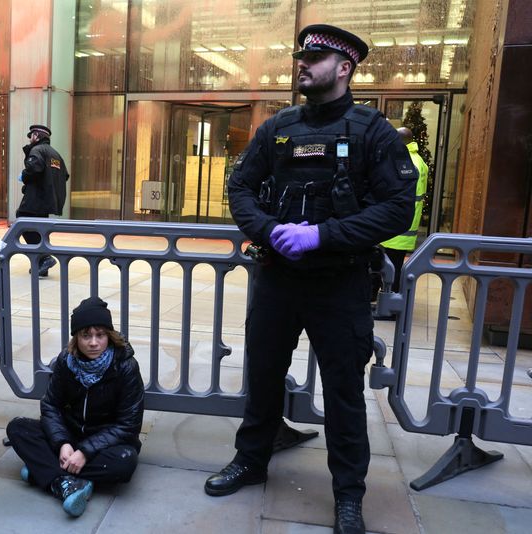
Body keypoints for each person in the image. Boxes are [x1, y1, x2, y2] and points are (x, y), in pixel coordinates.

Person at [204, 25, 417, 534]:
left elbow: (397, 209)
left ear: (344, 68)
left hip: (339, 283)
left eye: (315, 57)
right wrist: (270, 229)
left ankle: (348, 494)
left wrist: (323, 235)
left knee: (344, 391)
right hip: (279, 279)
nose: (302, 63)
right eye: (300, 55)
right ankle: (251, 460)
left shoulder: (372, 131)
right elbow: (241, 188)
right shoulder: (279, 127)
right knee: (263, 376)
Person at [6, 296, 144, 517]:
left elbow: (128, 425)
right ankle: (66, 481)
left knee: (125, 462)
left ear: (109, 336)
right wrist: (63, 444)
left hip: (106, 443)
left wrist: (85, 452)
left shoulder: (125, 366)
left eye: (100, 335)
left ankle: (45, 472)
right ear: (76, 338)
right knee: (17, 428)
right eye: (85, 335)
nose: (93, 342)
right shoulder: (66, 361)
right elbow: (51, 405)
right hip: (70, 434)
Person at [379, 126, 429, 293]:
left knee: (392, 267)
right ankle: (393, 301)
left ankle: (391, 305)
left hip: (397, 224)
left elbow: (394, 190)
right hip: (407, 222)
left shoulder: (406, 160)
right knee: (396, 264)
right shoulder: (418, 160)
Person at [16, 124, 69, 277]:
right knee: (39, 229)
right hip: (47, 200)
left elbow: (34, 168)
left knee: (23, 221)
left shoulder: (37, 150)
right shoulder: (55, 154)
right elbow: (64, 175)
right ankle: (41, 264)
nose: (30, 138)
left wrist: (24, 176)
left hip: (36, 198)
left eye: (31, 135)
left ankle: (45, 258)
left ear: (37, 136)